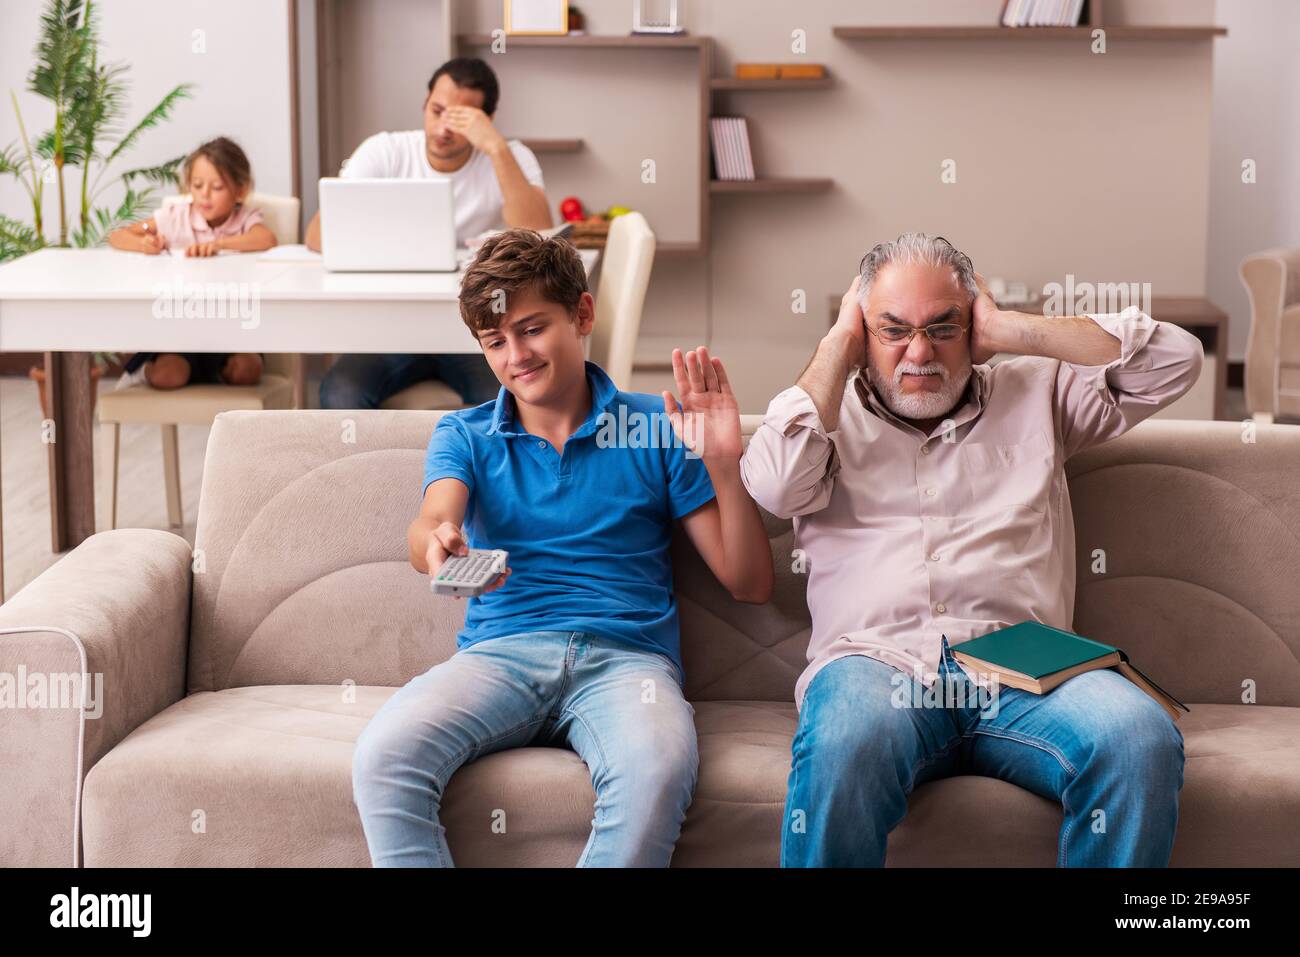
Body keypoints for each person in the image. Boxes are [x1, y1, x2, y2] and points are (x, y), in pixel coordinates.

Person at [740, 232, 1205, 867]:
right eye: (893, 329)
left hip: (1022, 665)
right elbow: (773, 485)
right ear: (860, 333)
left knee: (1138, 735)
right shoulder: (824, 416)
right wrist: (836, 346)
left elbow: (1176, 359)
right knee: (846, 741)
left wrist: (1013, 329)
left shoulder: (1039, 395)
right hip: (878, 665)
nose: (920, 352)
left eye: (943, 327)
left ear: (973, 327)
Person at [351, 229, 774, 866]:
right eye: (495, 342)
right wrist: (435, 540)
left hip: (627, 662)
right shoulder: (464, 434)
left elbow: (750, 583)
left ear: (581, 315)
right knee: (383, 756)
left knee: (657, 770)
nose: (516, 355)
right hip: (500, 654)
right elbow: (431, 520)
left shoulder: (653, 427)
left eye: (531, 329)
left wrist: (722, 462)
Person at [310, 57, 553, 410]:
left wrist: (495, 148)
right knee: (339, 393)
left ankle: (475, 467)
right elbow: (317, 235)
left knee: (504, 401)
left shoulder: (510, 156)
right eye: (437, 111)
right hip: (392, 328)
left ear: (486, 121)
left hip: (478, 332)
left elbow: (539, 230)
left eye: (461, 121)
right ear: (425, 104)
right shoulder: (385, 152)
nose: (443, 128)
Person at [109, 136, 275, 389]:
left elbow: (266, 239)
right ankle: (142, 371)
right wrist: (144, 244)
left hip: (231, 331)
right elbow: (118, 236)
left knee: (246, 370)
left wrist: (219, 244)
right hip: (180, 330)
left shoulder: (244, 220)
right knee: (169, 374)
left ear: (240, 190)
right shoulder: (178, 217)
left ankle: (212, 376)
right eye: (197, 186)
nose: (205, 195)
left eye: (217, 187)